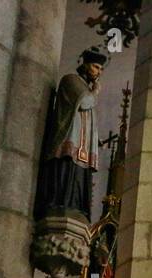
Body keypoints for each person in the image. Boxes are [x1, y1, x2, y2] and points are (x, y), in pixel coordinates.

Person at [35, 47, 107, 221]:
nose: (99, 72)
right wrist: (95, 91)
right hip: (69, 140)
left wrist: (95, 138)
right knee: (67, 172)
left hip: (82, 147)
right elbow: (84, 103)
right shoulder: (71, 80)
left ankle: (76, 207)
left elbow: (88, 119)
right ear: (86, 65)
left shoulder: (85, 88)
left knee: (79, 178)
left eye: (101, 69)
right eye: (96, 67)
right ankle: (61, 204)